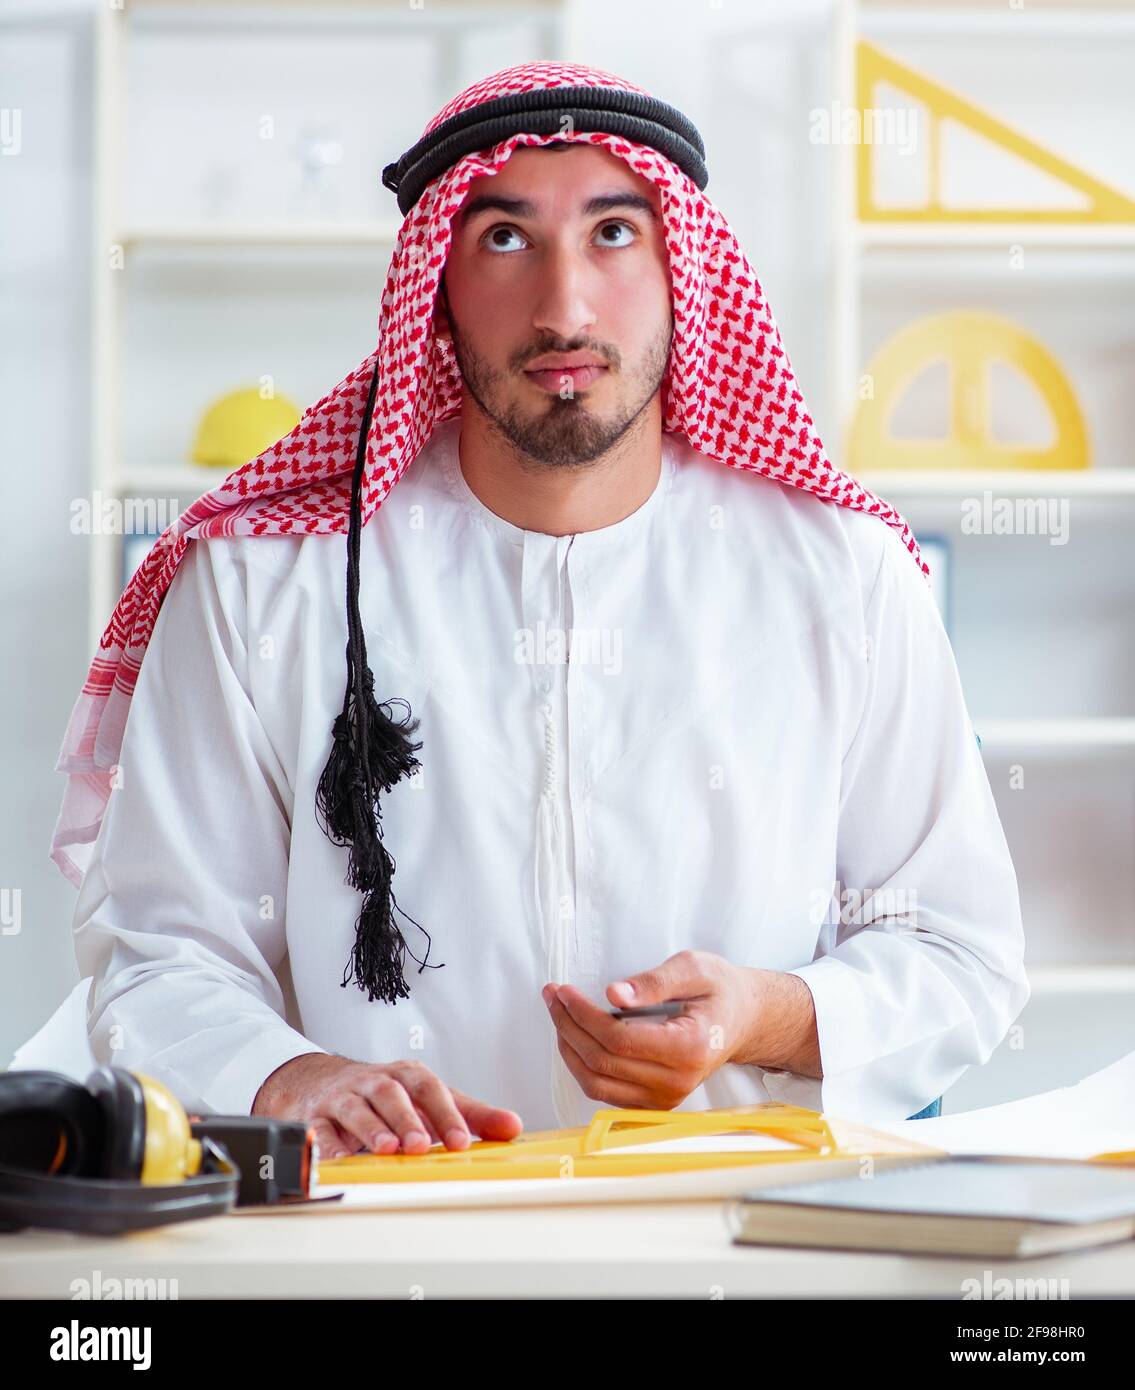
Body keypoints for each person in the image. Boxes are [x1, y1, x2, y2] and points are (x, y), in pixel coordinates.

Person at [52, 63, 1028, 1161]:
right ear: (436, 287)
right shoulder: (256, 584)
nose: (564, 305)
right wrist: (291, 1075)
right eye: (504, 240)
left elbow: (958, 952)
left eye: (614, 233)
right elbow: (158, 954)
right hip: (376, 1233)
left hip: (743, 1237)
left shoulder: (841, 576)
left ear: (682, 271)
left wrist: (761, 1013)